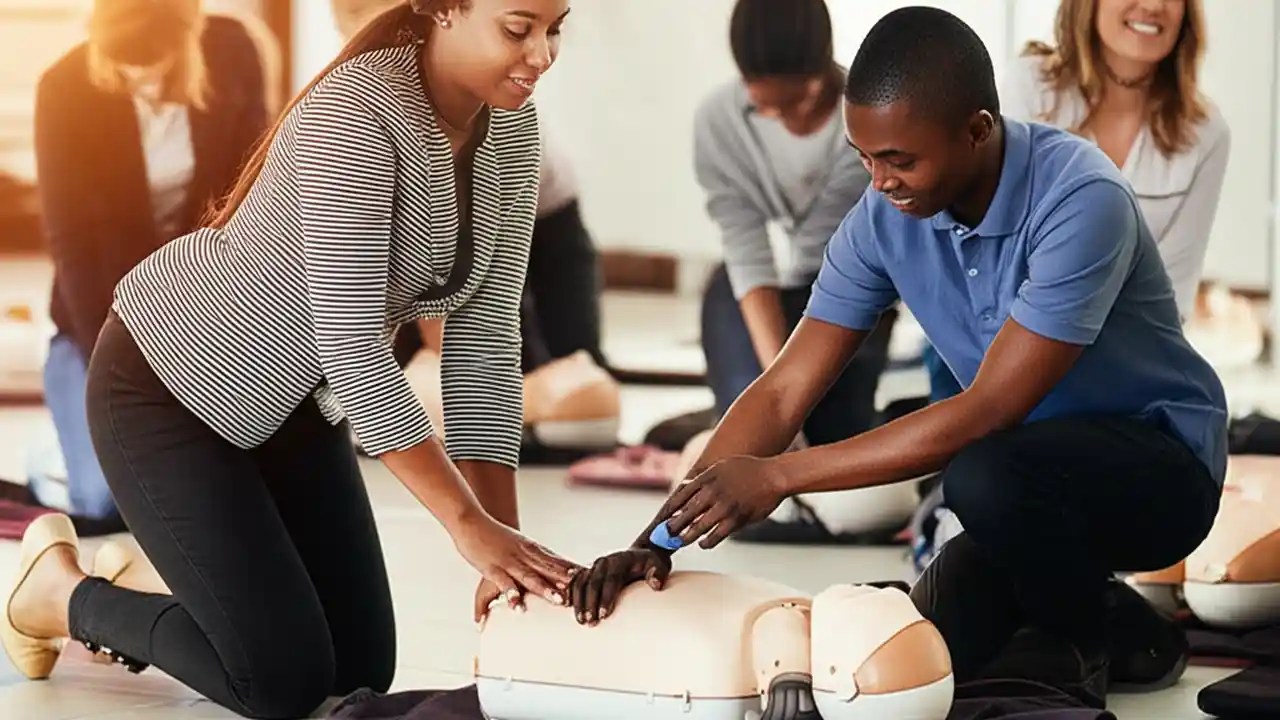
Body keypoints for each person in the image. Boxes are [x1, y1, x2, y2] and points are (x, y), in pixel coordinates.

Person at [569, 6, 1226, 708]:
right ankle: (1129, 629)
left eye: (899, 160)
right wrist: (653, 543)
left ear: (977, 130)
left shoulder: (1081, 198)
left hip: (1162, 472)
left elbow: (988, 411)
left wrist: (780, 476)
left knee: (981, 475)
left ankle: (1080, 643)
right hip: (1033, 485)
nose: (879, 181)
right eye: (864, 157)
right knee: (932, 636)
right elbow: (784, 390)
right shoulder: (883, 218)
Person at [3, 2, 577, 718]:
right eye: (519, 30)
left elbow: (485, 338)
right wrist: (467, 527)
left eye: (557, 28)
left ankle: (175, 577)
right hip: (165, 384)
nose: (543, 55)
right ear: (442, 10)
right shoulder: (358, 113)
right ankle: (62, 592)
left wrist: (505, 549)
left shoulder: (512, 132)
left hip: (295, 408)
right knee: (280, 683)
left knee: (360, 668)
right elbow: (353, 345)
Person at [912, 0, 1231, 572]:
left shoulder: (1203, 132)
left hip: (1116, 362)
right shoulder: (1032, 86)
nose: (1153, 7)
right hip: (1007, 346)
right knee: (965, 564)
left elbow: (1174, 291)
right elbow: (980, 257)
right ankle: (945, 500)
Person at [25, 0, 268, 524]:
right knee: (107, 503)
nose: (135, 77)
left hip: (207, 317)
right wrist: (115, 368)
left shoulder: (230, 52)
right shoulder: (64, 89)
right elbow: (73, 247)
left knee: (225, 493)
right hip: (99, 325)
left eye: (150, 63)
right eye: (122, 65)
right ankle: (57, 456)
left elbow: (259, 193)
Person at [691, 0, 907, 543]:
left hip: (845, 284)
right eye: (768, 107)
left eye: (798, 100)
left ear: (825, 71)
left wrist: (797, 409)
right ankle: (712, 417)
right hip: (754, 288)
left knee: (838, 437)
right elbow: (746, 247)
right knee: (754, 433)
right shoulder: (719, 120)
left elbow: (828, 257)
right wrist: (775, 391)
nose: (786, 117)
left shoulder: (862, 120)